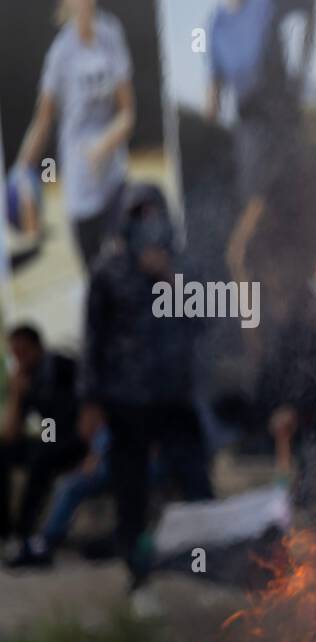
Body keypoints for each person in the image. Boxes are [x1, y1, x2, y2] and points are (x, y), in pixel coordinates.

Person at [80, 184, 213, 588]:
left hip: (174, 396)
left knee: (196, 482)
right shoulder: (108, 271)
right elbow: (93, 339)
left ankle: (207, 571)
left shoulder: (183, 267)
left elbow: (205, 319)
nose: (148, 223)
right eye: (139, 214)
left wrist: (169, 279)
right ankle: (138, 578)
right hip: (126, 401)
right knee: (131, 492)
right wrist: (90, 401)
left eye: (154, 213)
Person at [13, 0, 135, 271]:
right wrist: (21, 174)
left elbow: (128, 113)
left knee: (130, 268)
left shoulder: (111, 33)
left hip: (114, 176)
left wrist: (104, 144)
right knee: (98, 277)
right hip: (82, 190)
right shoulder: (60, 54)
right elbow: (42, 122)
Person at [205, 0, 316, 285]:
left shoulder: (265, 5)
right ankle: (258, 324)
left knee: (243, 251)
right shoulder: (216, 25)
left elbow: (311, 6)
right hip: (248, 143)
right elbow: (213, 93)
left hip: (279, 135)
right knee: (263, 253)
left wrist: (301, 70)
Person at [1, 324, 86, 566]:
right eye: (15, 354)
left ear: (38, 348)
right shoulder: (27, 379)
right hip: (49, 439)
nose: (20, 359)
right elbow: (10, 434)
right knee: (4, 452)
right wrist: (15, 395)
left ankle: (24, 534)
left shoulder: (63, 366)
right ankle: (6, 533)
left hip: (76, 439)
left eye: (24, 352)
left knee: (41, 456)